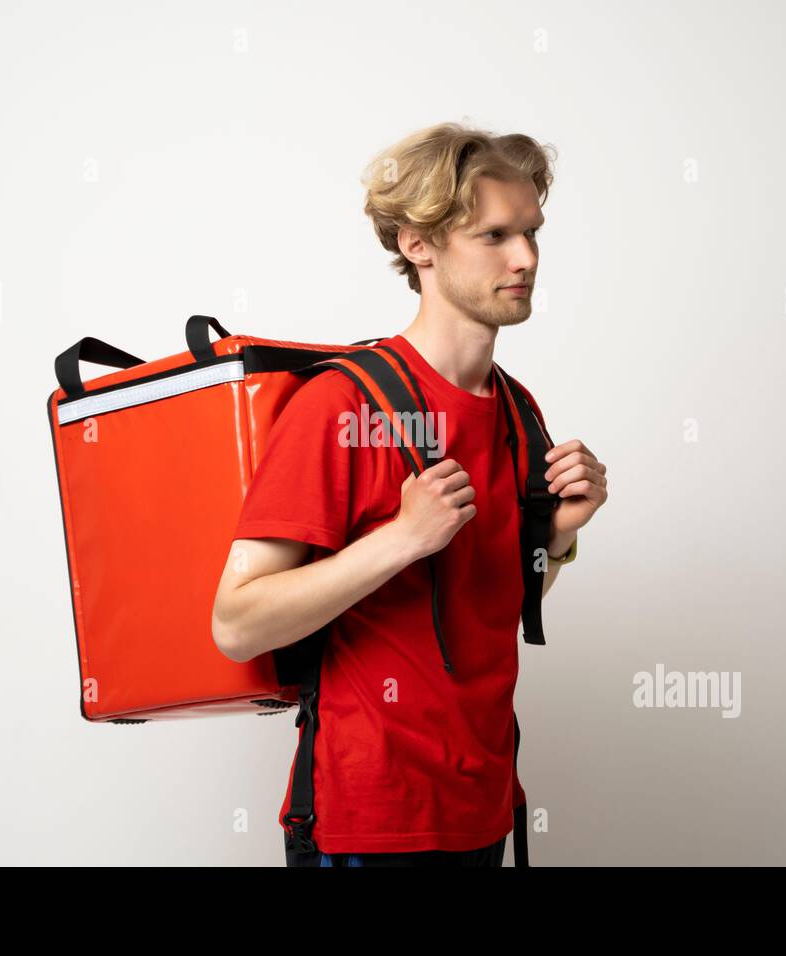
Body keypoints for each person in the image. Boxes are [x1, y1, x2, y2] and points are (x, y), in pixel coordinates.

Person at [210, 121, 608, 866]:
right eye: (494, 236)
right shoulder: (340, 406)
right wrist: (401, 537)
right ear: (417, 244)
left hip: (484, 811)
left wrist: (557, 539)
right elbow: (236, 622)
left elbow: (485, 602)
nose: (525, 258)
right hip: (370, 824)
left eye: (531, 232)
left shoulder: (519, 411)